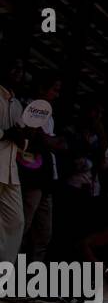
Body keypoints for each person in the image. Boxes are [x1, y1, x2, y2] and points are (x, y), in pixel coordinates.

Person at [19, 70, 63, 264]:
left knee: (43, 234)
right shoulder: (30, 107)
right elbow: (41, 139)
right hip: (32, 177)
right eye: (54, 90)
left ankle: (30, 280)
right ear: (41, 89)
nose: (57, 94)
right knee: (22, 227)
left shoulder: (49, 114)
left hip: (46, 179)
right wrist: (54, 142)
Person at [0, 55, 29, 265]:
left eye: (21, 70)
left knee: (16, 221)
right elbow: (8, 133)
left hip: (10, 171)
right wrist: (6, 133)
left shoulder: (18, 105)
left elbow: (23, 140)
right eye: (15, 69)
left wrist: (23, 139)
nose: (19, 74)